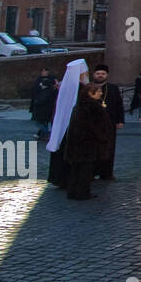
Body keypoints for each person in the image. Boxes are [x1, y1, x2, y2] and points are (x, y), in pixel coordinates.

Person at [64, 82, 115, 201]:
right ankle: (82, 192)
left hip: (78, 142)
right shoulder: (92, 106)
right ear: (90, 93)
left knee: (76, 168)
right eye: (98, 91)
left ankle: (73, 191)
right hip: (87, 143)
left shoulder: (79, 106)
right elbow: (94, 126)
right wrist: (102, 137)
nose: (101, 93)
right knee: (85, 169)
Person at [46, 59, 89, 191]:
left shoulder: (65, 86)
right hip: (73, 127)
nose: (87, 75)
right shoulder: (80, 88)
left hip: (63, 126)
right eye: (85, 73)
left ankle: (59, 178)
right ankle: (68, 179)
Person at [90, 65, 124, 181]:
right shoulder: (88, 87)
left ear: (107, 75)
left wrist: (120, 120)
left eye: (103, 74)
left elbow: (119, 105)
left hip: (110, 123)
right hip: (92, 124)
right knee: (93, 148)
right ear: (94, 75)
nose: (100, 75)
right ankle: (92, 172)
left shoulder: (113, 88)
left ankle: (107, 173)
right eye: (98, 73)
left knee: (109, 148)